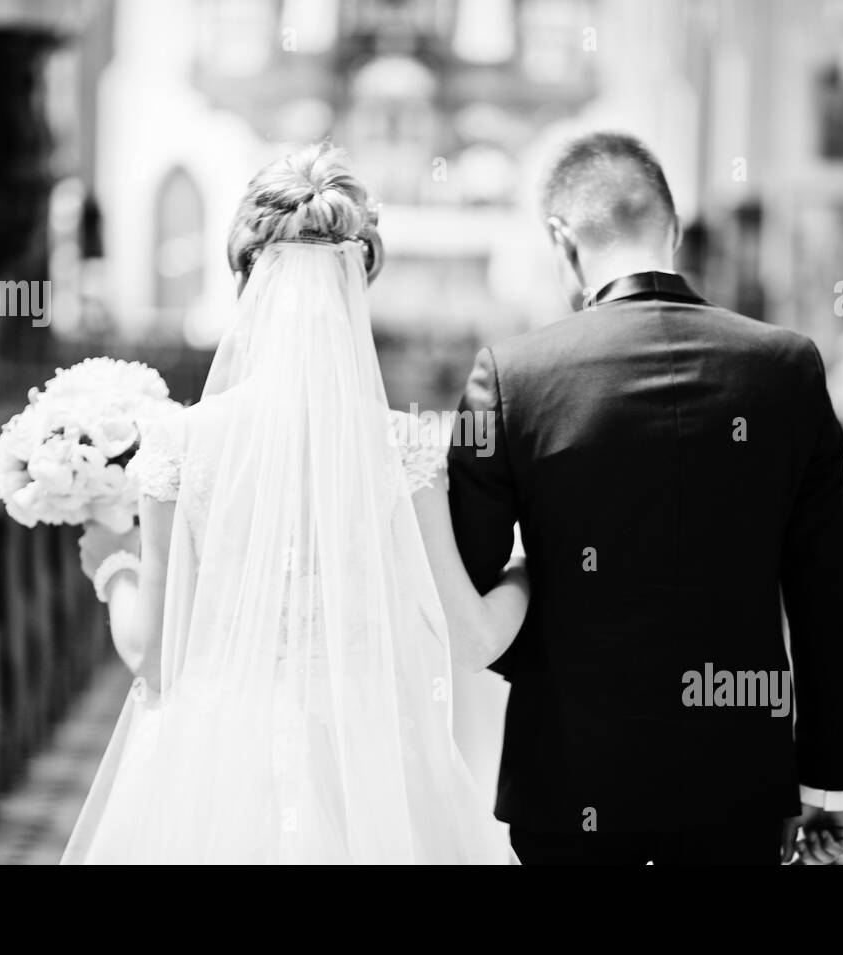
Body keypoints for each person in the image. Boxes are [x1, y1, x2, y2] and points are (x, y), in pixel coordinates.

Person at [62, 143, 524, 864]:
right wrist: (529, 568)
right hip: (368, 758)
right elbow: (474, 638)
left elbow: (149, 657)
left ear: (247, 273)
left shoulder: (178, 440)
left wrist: (110, 564)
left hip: (214, 757)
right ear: (358, 276)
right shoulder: (404, 446)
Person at [447, 132, 843, 865]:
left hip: (568, 776)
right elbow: (826, 595)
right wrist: (830, 780)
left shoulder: (511, 376)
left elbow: (467, 583)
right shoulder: (787, 369)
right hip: (737, 784)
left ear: (561, 239)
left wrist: (543, 620)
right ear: (671, 230)